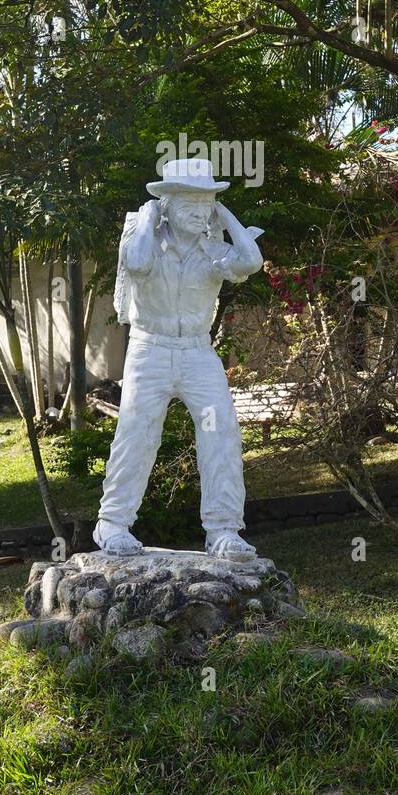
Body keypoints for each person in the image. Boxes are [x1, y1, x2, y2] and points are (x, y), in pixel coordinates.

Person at [93, 157, 264, 561]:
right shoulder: (143, 240)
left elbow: (251, 261)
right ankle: (113, 524)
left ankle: (224, 531)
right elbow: (135, 264)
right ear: (165, 205)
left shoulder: (215, 250)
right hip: (150, 349)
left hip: (197, 352)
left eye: (205, 203)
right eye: (188, 203)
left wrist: (225, 213)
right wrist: (148, 216)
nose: (198, 211)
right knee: (137, 432)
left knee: (220, 431)